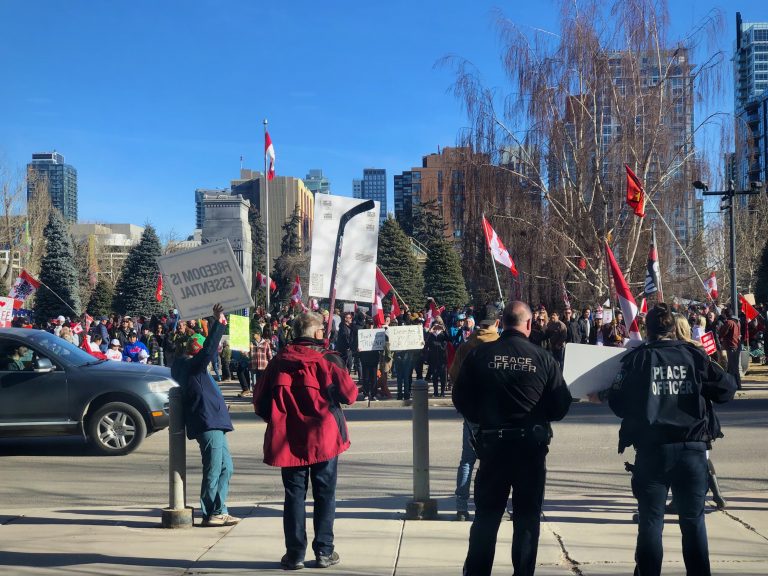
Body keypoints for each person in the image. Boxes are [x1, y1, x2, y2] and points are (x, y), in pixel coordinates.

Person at [605, 303, 736, 576]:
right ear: (674, 328)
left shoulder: (637, 359)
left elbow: (617, 402)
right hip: (692, 451)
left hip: (653, 452)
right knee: (693, 522)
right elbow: (726, 390)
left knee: (651, 523)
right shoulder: (695, 356)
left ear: (647, 329)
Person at [453, 301, 572, 576]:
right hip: (529, 449)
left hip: (493, 448)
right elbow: (561, 406)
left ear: (502, 323)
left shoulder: (481, 355)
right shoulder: (543, 359)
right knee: (527, 522)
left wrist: (484, 418)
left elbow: (461, 399)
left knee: (486, 519)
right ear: (528, 324)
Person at [253, 312, 358, 570]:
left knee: (294, 497)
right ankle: (324, 551)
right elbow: (350, 395)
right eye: (322, 330)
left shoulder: (278, 362)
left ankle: (295, 554)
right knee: (325, 495)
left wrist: (280, 418)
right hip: (324, 437)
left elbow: (260, 401)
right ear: (316, 333)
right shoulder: (329, 359)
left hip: (290, 439)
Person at [171, 304, 239, 528]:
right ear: (195, 350)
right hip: (208, 423)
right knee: (213, 468)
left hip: (214, 421)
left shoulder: (190, 368)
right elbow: (209, 350)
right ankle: (212, 511)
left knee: (225, 467)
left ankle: (218, 509)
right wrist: (218, 323)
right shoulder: (192, 367)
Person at [449, 313, 500, 522]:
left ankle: (461, 507)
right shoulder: (500, 346)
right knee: (495, 462)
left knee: (467, 461)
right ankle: (491, 504)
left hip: (471, 410)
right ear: (496, 324)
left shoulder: (466, 346)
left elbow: (453, 375)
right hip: (495, 412)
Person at [424, 317, 449, 397]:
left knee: (443, 376)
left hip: (442, 357)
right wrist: (430, 331)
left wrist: (444, 330)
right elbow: (426, 343)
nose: (437, 327)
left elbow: (449, 339)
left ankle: (442, 392)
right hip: (433, 358)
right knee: (435, 376)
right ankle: (435, 392)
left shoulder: (442, 333)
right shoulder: (431, 334)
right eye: (435, 326)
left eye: (438, 325)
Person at [718, 307, 742, 389]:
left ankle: (733, 386)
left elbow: (722, 333)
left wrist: (719, 328)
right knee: (735, 367)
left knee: (731, 368)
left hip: (731, 346)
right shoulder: (737, 321)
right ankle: (738, 385)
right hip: (737, 345)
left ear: (726, 314)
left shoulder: (728, 322)